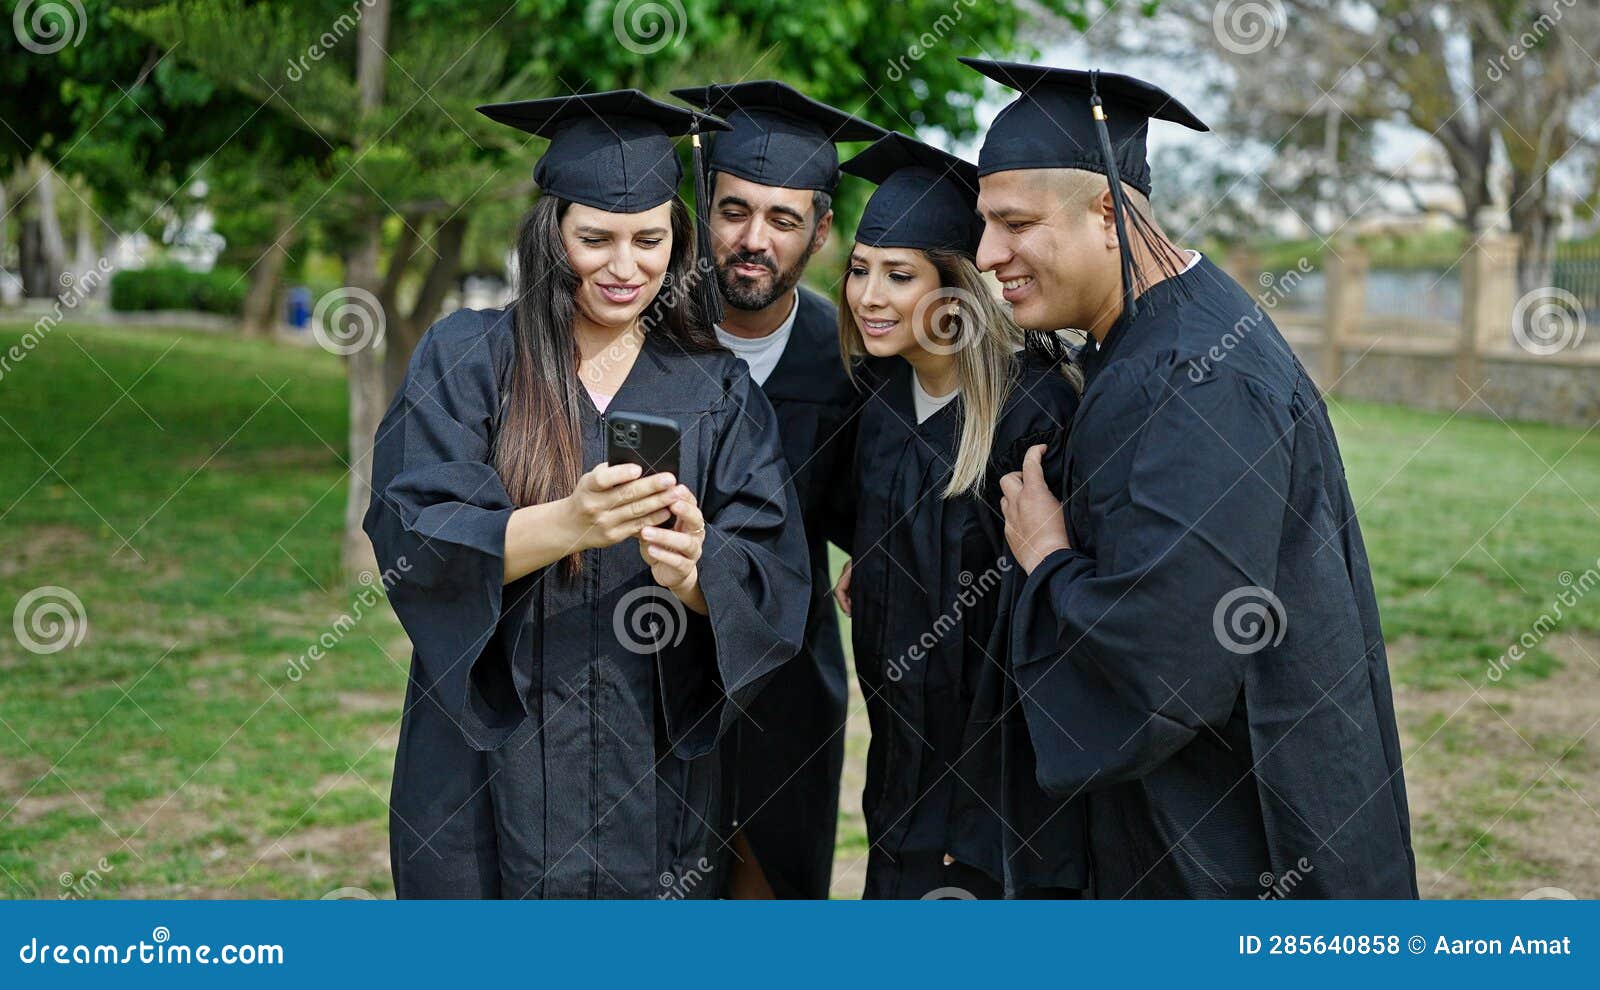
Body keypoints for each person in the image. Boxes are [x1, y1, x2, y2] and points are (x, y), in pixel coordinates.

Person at [961, 57, 1418, 898]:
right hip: (1186, 818)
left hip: (1244, 841)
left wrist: (1047, 555)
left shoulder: (1199, 379)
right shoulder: (1145, 339)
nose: (987, 253)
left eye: (1013, 223)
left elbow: (1169, 658)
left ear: (1107, 213)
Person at [363, 89, 811, 899]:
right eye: (595, 239)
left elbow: (772, 569)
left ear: (677, 242)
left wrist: (697, 573)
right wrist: (566, 522)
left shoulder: (714, 387)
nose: (625, 266)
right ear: (552, 235)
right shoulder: (470, 359)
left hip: (650, 772)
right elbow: (414, 533)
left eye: (649, 240)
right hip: (483, 763)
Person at [831, 132, 1081, 899]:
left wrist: (970, 821)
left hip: (1001, 802)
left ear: (956, 288)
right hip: (901, 776)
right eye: (860, 270)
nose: (869, 297)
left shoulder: (1031, 411)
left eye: (899, 276)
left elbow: (1036, 644)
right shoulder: (881, 396)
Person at [670, 80, 884, 899]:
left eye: (784, 219)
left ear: (821, 231)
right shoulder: (642, 341)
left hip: (784, 688)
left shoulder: (852, 364)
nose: (753, 240)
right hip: (643, 671)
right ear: (704, 209)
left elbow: (882, 511)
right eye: (734, 211)